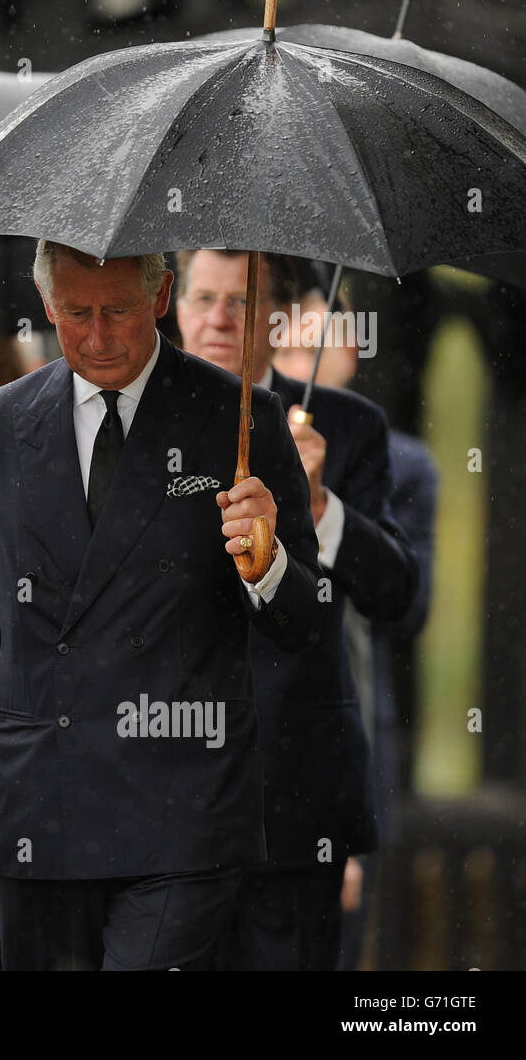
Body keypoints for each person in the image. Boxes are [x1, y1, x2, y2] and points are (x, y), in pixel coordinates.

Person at [0, 242, 326, 971]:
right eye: (77, 313)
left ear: (162, 294)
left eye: (118, 311)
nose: (100, 334)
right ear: (47, 305)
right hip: (41, 808)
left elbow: (302, 622)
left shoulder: (238, 416)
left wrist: (266, 562)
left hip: (184, 810)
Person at [173, 248, 418, 970]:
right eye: (203, 298)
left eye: (240, 301)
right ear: (176, 307)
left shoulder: (347, 425)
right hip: (168, 790)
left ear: (280, 320)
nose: (218, 316)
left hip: (298, 793)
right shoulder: (141, 423)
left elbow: (398, 592)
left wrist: (318, 506)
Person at [271, 294, 437, 969]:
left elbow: (406, 604)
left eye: (325, 329)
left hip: (343, 754)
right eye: (289, 329)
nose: (306, 347)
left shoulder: (399, 460)